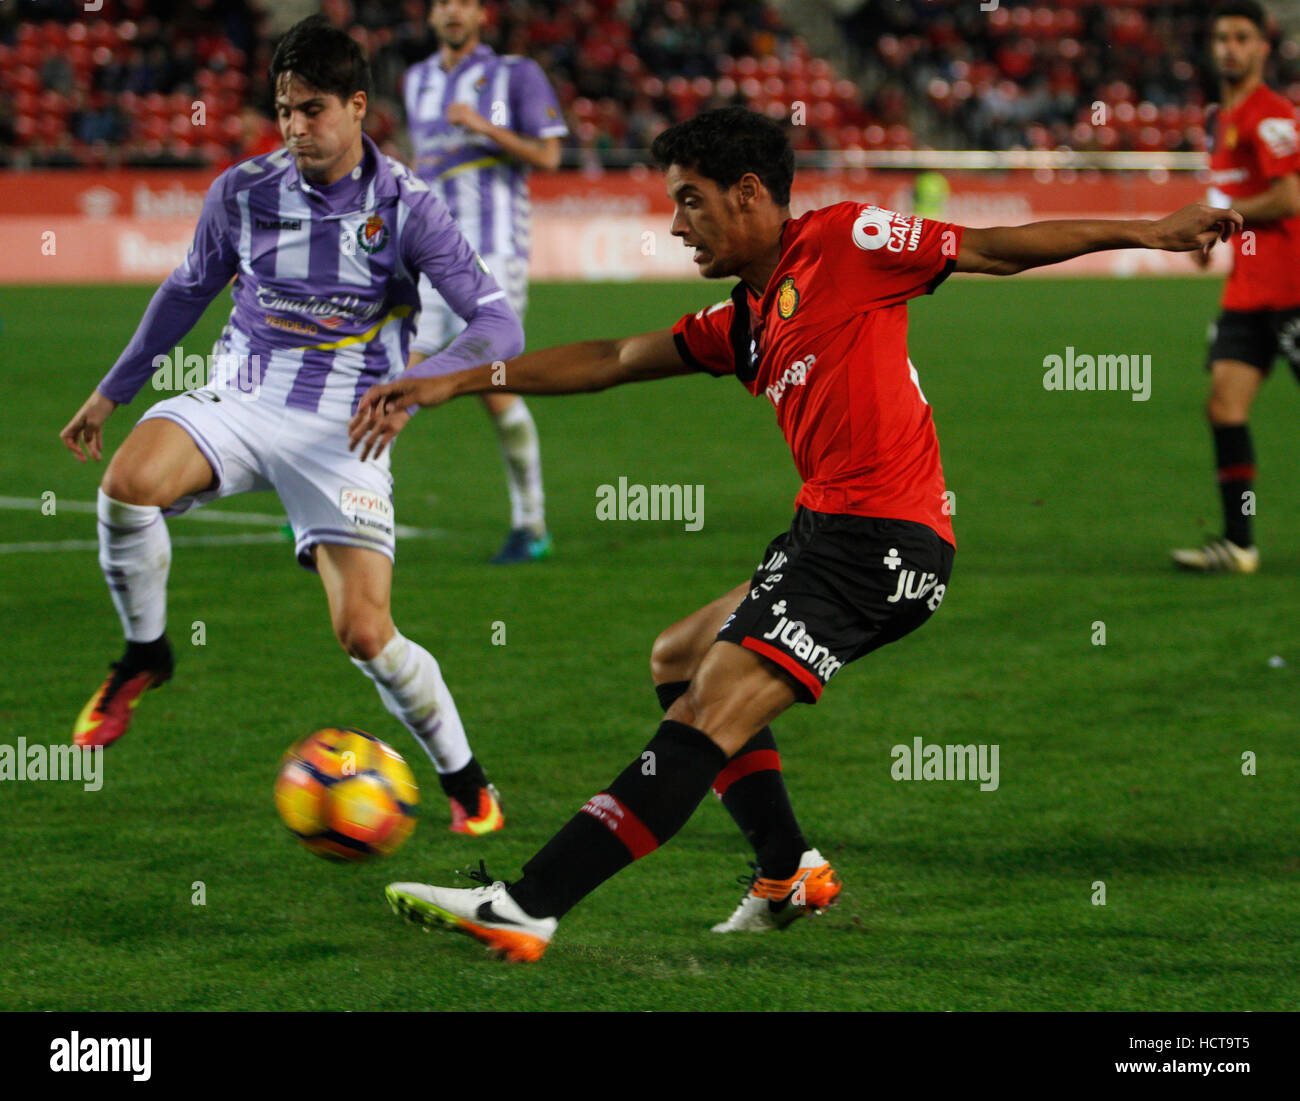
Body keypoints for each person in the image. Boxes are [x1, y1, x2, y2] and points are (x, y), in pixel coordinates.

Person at [350, 107, 1241, 962]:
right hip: (824, 532)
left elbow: (992, 249)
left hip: (881, 545)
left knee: (709, 707)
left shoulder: (847, 242)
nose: (676, 225)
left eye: (689, 200)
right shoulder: (745, 316)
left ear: (747, 192)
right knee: (676, 657)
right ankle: (787, 870)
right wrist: (460, 378)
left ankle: (529, 904)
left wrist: (1153, 230)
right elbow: (615, 358)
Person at [58, 16, 523, 834]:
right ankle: (145, 652)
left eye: (313, 109)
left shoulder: (409, 208)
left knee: (365, 633)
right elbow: (185, 291)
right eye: (284, 109)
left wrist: (421, 381)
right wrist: (111, 392)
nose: (297, 127)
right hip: (239, 398)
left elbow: (497, 322)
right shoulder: (241, 191)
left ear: (356, 107)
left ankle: (465, 778)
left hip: (346, 429)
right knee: (126, 486)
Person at [404, 0, 568, 563]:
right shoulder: (416, 80)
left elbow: (548, 156)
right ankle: (335, 503)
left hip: (494, 253)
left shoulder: (515, 74)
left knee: (493, 386)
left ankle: (532, 522)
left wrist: (483, 127)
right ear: (430, 16)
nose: (453, 12)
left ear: (482, 14)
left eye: (465, 2)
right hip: (430, 254)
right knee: (393, 374)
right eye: (443, 3)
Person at [1171, 0, 1300, 573]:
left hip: (1294, 290)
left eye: (1242, 37)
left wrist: (1221, 217)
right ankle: (1239, 544)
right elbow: (1231, 198)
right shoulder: (1218, 121)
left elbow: (1289, 197)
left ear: (1262, 47)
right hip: (1248, 294)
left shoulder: (1272, 115)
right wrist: (1210, 231)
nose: (1229, 47)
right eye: (1222, 37)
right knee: (1225, 407)